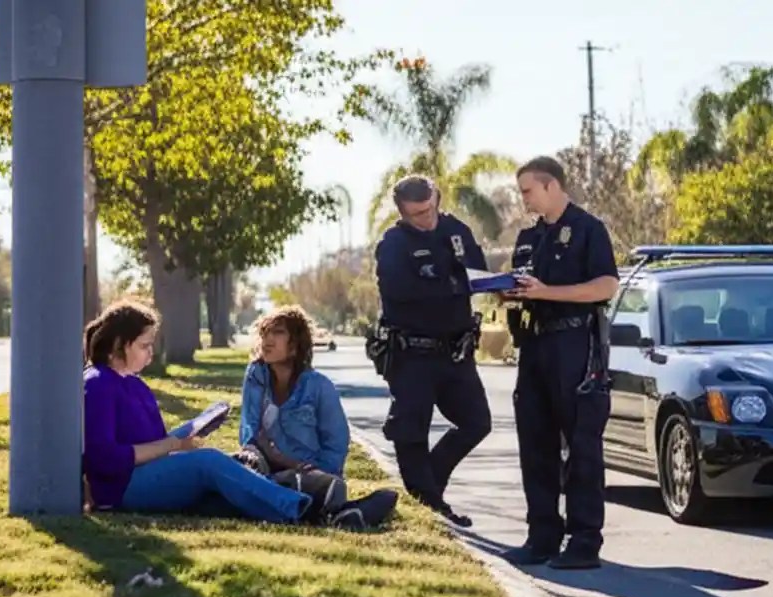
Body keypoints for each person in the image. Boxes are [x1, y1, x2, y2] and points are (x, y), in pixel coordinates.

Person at [82, 299, 317, 524]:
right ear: (119, 344)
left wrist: (184, 435)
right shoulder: (97, 384)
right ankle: (298, 508)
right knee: (208, 461)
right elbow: (104, 458)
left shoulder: (136, 385)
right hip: (119, 488)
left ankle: (308, 497)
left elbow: (154, 443)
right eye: (144, 346)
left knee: (222, 493)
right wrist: (171, 445)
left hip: (147, 476)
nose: (150, 353)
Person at [501, 156, 619, 570]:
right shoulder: (529, 237)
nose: (525, 200)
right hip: (534, 346)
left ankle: (584, 541)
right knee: (536, 445)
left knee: (582, 447)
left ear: (551, 186)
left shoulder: (588, 229)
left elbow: (606, 286)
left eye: (528, 191)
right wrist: (512, 293)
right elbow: (528, 286)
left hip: (574, 344)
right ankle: (542, 536)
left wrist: (547, 292)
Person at [367, 174, 492, 528]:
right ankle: (431, 503)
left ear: (436, 196)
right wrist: (452, 285)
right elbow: (401, 291)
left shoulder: (455, 230)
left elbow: (477, 272)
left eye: (430, 208)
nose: (427, 218)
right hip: (413, 354)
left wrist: (460, 284)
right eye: (417, 214)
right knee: (410, 430)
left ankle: (429, 487)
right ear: (403, 213)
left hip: (456, 351)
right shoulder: (393, 244)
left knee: (477, 422)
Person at [234, 305, 397, 529]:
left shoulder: (319, 387)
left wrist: (301, 467)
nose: (268, 339)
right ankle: (337, 513)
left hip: (310, 474)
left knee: (382, 495)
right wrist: (258, 455)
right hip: (265, 470)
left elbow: (335, 446)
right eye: (265, 333)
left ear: (295, 345)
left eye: (278, 332)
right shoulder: (256, 376)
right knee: (232, 471)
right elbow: (249, 433)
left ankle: (328, 507)